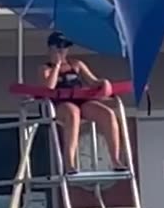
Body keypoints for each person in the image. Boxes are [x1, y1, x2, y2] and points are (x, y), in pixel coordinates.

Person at [42, 31, 123, 174]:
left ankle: (115, 160)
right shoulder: (45, 68)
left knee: (108, 114)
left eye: (65, 46)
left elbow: (93, 81)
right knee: (73, 113)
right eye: (59, 46)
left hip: (81, 101)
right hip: (60, 104)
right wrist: (57, 66)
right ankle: (69, 163)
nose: (62, 50)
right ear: (51, 48)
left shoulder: (76, 64)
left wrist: (103, 82)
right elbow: (48, 87)